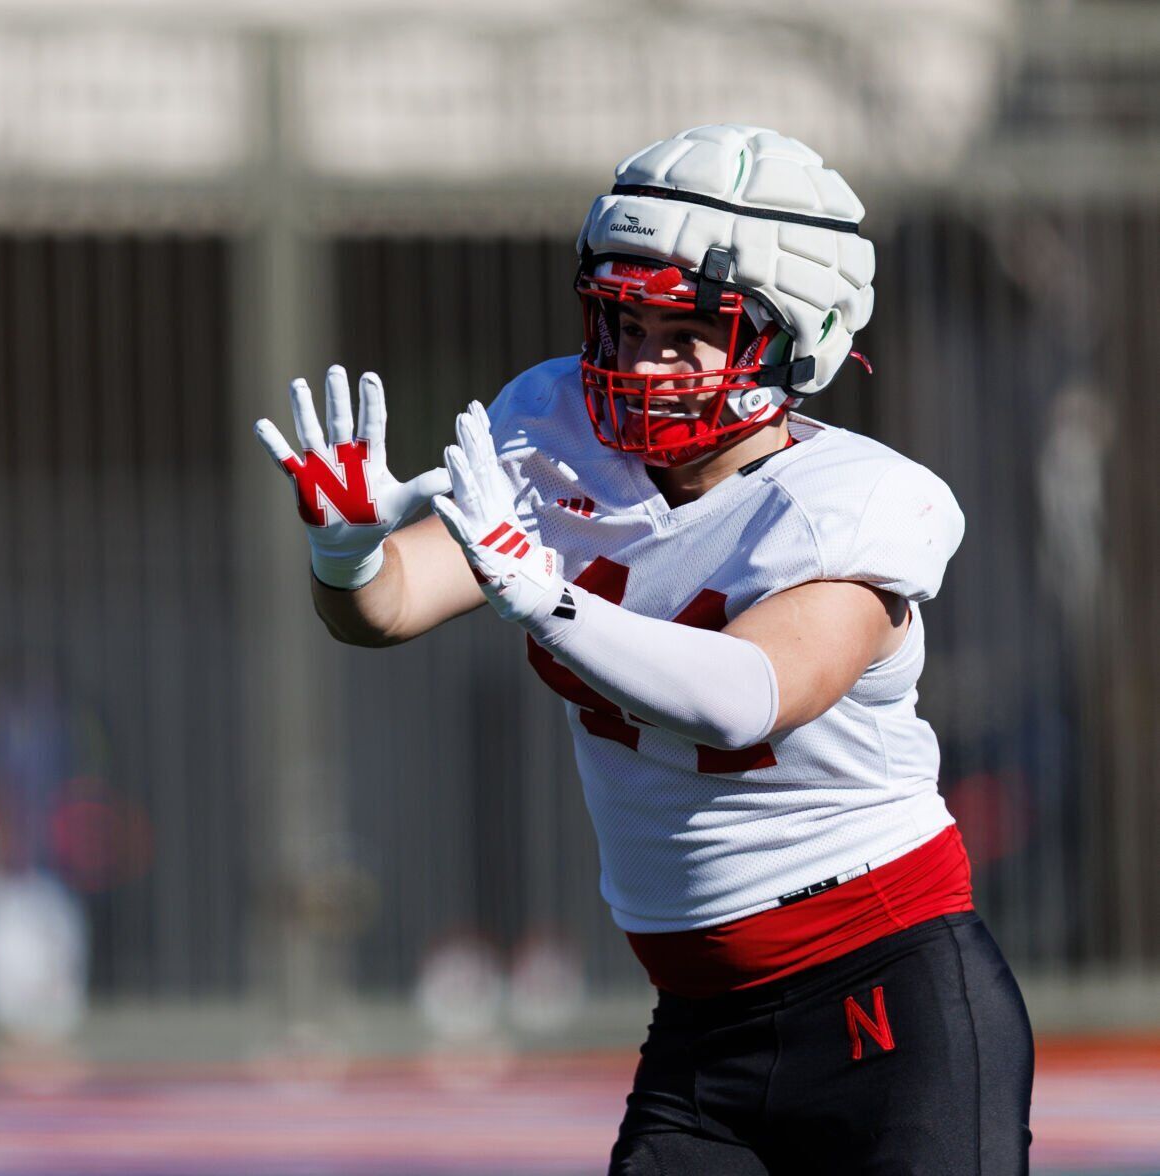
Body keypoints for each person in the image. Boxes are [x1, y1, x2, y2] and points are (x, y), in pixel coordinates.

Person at [254, 124, 1033, 1173]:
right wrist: (346, 555)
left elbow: (747, 694)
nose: (637, 361)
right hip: (700, 1024)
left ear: (790, 333)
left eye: (682, 331)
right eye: (621, 323)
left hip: (885, 1006)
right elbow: (384, 610)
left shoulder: (854, 503)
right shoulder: (555, 430)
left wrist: (541, 597)